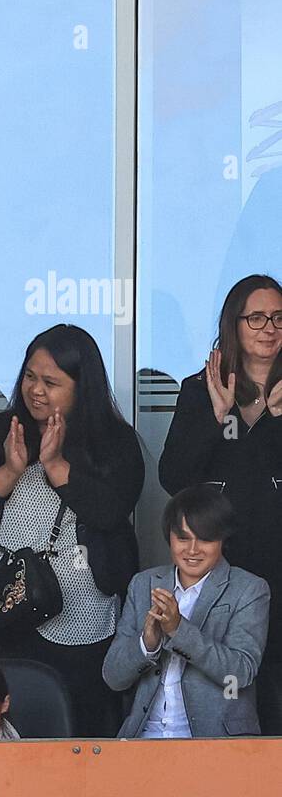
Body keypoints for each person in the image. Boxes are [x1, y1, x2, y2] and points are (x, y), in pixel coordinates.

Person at [0, 324, 142, 737]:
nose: (36, 390)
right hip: (0, 608)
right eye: (30, 376)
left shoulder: (115, 442)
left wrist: (56, 467)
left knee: (74, 730)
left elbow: (111, 511)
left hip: (81, 617)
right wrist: (10, 471)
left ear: (81, 386)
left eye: (51, 382)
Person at [158, 275, 282, 720]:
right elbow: (173, 477)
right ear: (235, 323)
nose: (269, 327)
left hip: (278, 558)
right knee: (221, 682)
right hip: (219, 564)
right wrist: (216, 416)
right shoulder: (201, 387)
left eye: (279, 317)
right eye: (256, 318)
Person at [104, 485, 269, 738]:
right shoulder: (144, 584)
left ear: (223, 539)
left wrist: (178, 631)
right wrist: (147, 644)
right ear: (169, 537)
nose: (192, 550)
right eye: (182, 538)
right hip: (144, 738)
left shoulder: (249, 589)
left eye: (204, 539)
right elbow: (113, 677)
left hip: (215, 742)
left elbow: (240, 672)